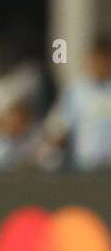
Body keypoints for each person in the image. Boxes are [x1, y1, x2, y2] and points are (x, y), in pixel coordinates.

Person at [42, 34, 111, 170]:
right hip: (84, 166)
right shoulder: (76, 91)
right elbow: (58, 126)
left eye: (103, 61)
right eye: (94, 60)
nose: (97, 65)